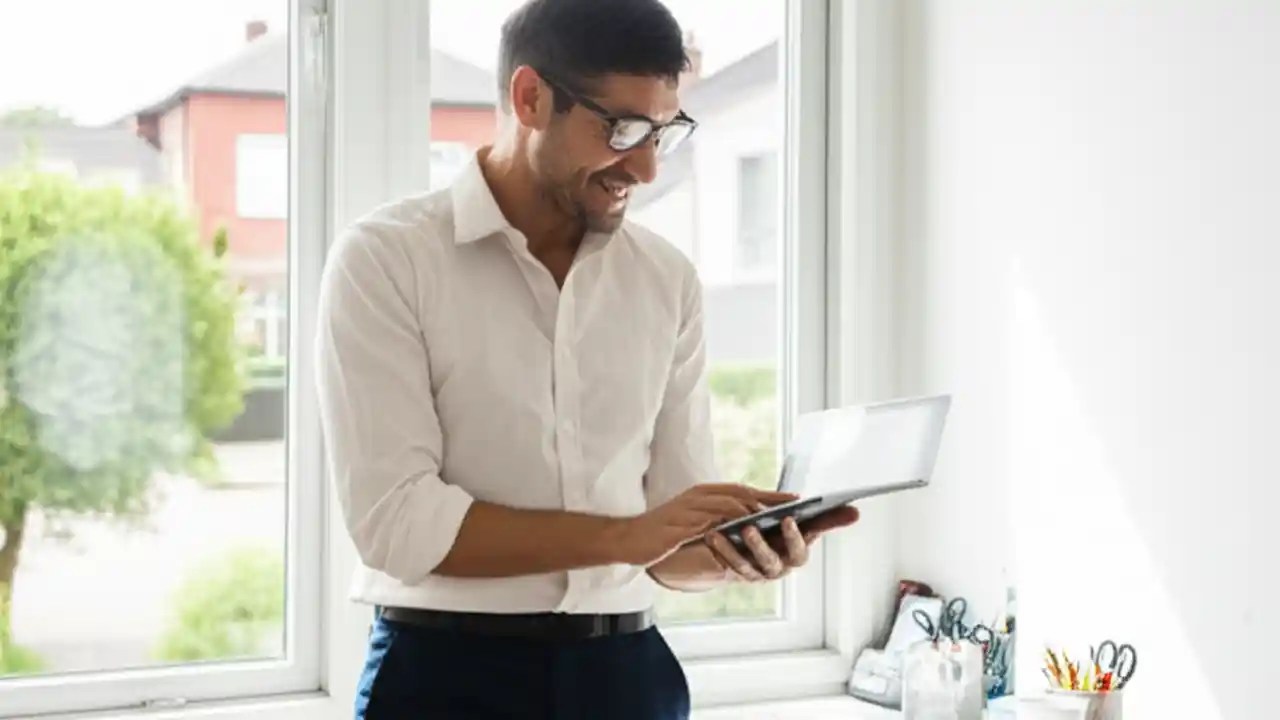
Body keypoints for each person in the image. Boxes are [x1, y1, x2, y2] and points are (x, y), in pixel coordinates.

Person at [315, 0, 859, 717]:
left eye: (663, 132)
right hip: (444, 676)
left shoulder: (666, 281)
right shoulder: (386, 260)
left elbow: (672, 545)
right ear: (530, 98)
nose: (648, 167)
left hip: (628, 677)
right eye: (622, 129)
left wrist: (737, 554)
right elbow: (398, 523)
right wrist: (626, 537)